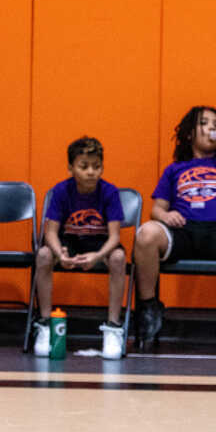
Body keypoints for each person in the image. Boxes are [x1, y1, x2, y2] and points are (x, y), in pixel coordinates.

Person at [132, 106, 216, 348]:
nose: (212, 127)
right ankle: (149, 307)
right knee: (146, 233)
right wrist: (166, 214)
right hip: (182, 230)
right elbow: (156, 210)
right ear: (189, 133)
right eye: (204, 123)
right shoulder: (174, 169)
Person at [33, 135, 127, 360]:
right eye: (84, 166)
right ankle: (45, 323)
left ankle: (113, 327)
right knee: (44, 254)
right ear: (70, 168)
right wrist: (59, 253)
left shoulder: (109, 192)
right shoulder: (61, 191)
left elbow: (115, 237)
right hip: (69, 241)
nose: (91, 172)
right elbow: (50, 233)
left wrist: (98, 256)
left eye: (96, 166)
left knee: (118, 258)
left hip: (99, 242)